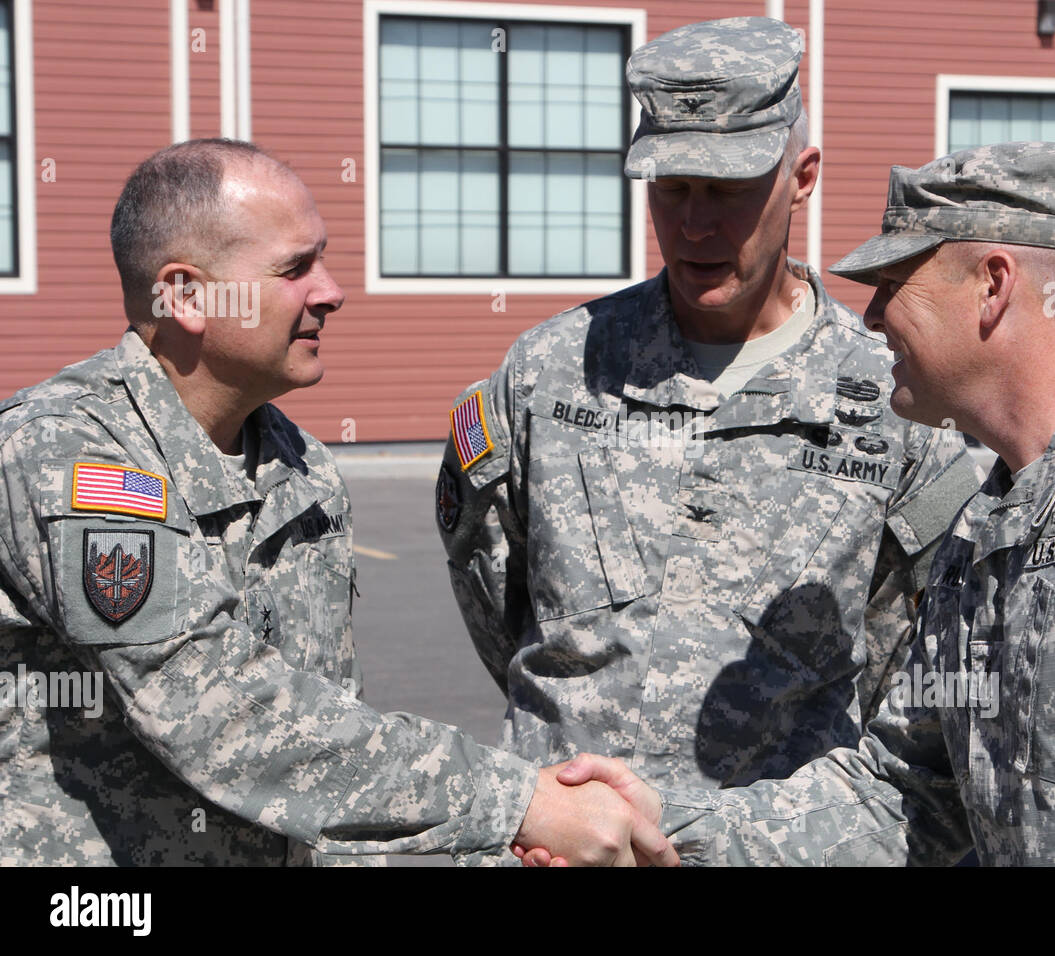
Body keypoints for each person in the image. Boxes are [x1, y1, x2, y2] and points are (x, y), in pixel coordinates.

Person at [541, 141, 1055, 865]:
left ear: (993, 284)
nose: (869, 318)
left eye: (894, 286)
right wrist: (662, 831)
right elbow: (903, 792)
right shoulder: (984, 531)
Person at [0, 138, 674, 867]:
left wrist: (503, 847)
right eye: (295, 268)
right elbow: (219, 714)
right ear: (188, 295)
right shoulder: (66, 452)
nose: (332, 290)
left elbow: (324, 756)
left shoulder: (304, 466)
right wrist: (521, 804)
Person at [437, 16, 977, 864]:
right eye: (671, 187)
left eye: (726, 190)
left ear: (803, 179)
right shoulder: (549, 371)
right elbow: (495, 601)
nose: (693, 225)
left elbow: (906, 675)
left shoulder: (890, 400)